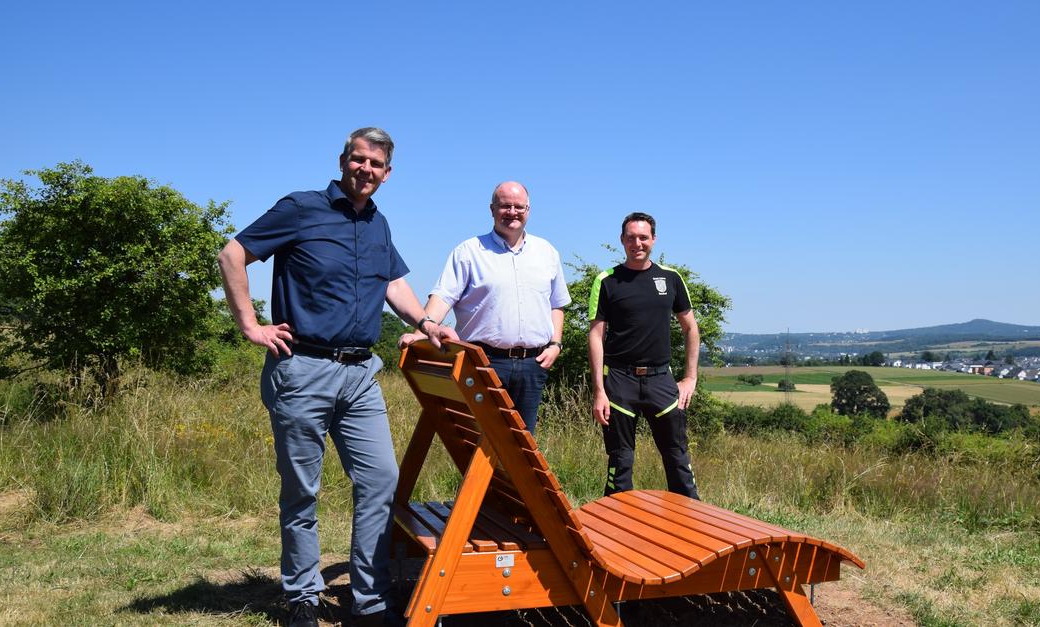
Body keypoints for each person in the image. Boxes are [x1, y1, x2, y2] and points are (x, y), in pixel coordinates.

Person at [217, 127, 455, 627]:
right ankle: (302, 596)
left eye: (376, 165)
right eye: (359, 159)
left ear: (387, 174)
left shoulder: (378, 223)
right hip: (302, 368)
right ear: (344, 159)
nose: (366, 170)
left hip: (361, 373)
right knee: (302, 488)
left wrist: (428, 323)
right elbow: (232, 253)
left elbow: (393, 282)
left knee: (380, 480)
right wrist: (250, 325)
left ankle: (369, 599)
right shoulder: (301, 208)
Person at [403, 181, 569, 433]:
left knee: (523, 444)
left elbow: (557, 304)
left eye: (518, 206)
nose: (512, 212)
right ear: (492, 209)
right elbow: (443, 298)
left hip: (533, 364)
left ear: (528, 210)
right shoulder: (469, 251)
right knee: (481, 438)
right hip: (484, 360)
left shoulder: (547, 252)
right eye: (505, 206)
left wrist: (556, 344)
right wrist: (419, 334)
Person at [588, 212, 700, 499]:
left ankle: (693, 532)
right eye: (631, 238)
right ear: (622, 240)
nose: (637, 243)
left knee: (678, 460)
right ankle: (614, 536)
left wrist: (689, 378)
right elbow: (596, 336)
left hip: (661, 380)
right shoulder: (607, 280)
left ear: (654, 240)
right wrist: (599, 391)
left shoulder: (671, 278)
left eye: (643, 237)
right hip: (619, 381)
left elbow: (690, 328)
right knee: (620, 462)